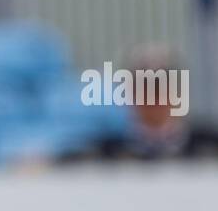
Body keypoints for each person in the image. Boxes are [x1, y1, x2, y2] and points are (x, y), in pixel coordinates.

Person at [63, 46, 218, 163]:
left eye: (160, 87)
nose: (152, 97)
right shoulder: (104, 153)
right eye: (144, 87)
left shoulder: (208, 147)